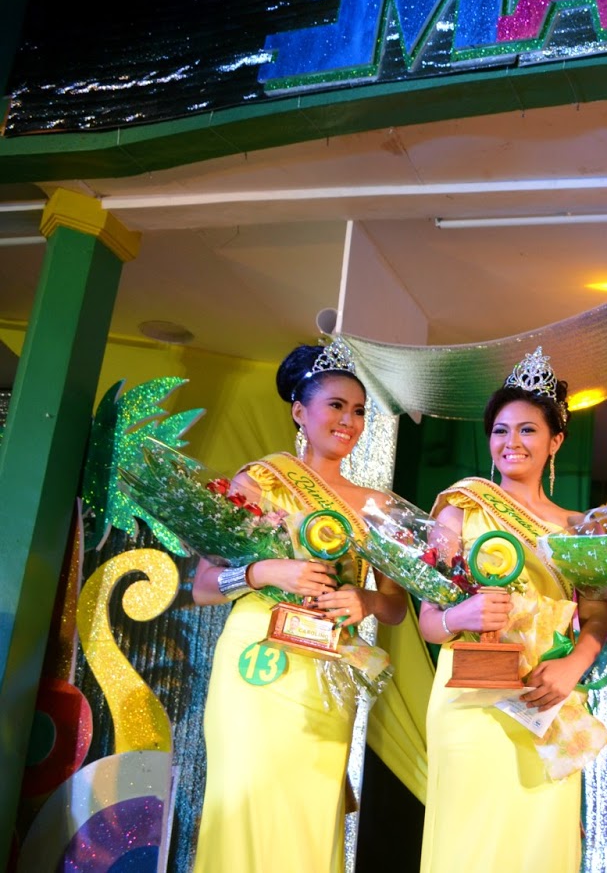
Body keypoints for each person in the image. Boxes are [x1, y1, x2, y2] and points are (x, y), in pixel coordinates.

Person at [191, 338, 410, 873]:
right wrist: (265, 571)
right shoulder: (260, 481)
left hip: (327, 668)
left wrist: (364, 598)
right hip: (256, 663)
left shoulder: (378, 506)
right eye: (336, 405)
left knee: (309, 809)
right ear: (299, 411)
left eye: (358, 411)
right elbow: (202, 586)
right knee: (243, 798)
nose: (349, 420)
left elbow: (397, 606)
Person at [417, 349, 607, 873]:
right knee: (469, 845)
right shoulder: (460, 508)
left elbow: (596, 616)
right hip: (471, 699)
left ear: (556, 442)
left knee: (536, 846)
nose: (512, 443)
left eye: (528, 430)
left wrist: (573, 667)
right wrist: (463, 616)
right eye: (501, 431)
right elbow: (429, 621)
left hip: (544, 697)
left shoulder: (579, 528)